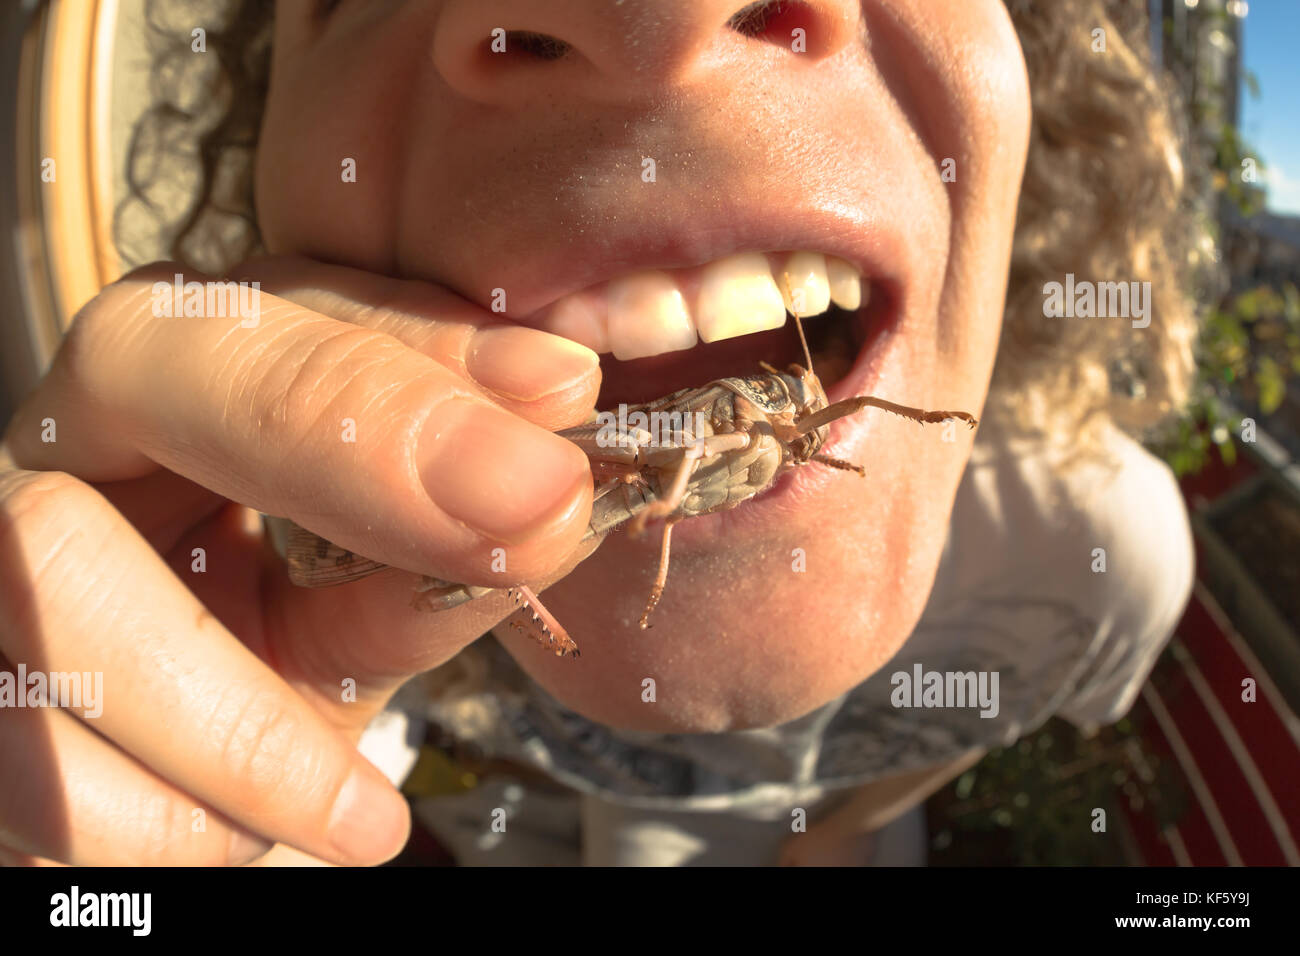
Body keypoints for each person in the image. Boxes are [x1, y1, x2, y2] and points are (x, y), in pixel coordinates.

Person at [0, 0, 1198, 866]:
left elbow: (980, 729)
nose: (655, 15)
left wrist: (840, 833)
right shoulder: (308, 576)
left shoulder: (1104, 559)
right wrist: (141, 776)